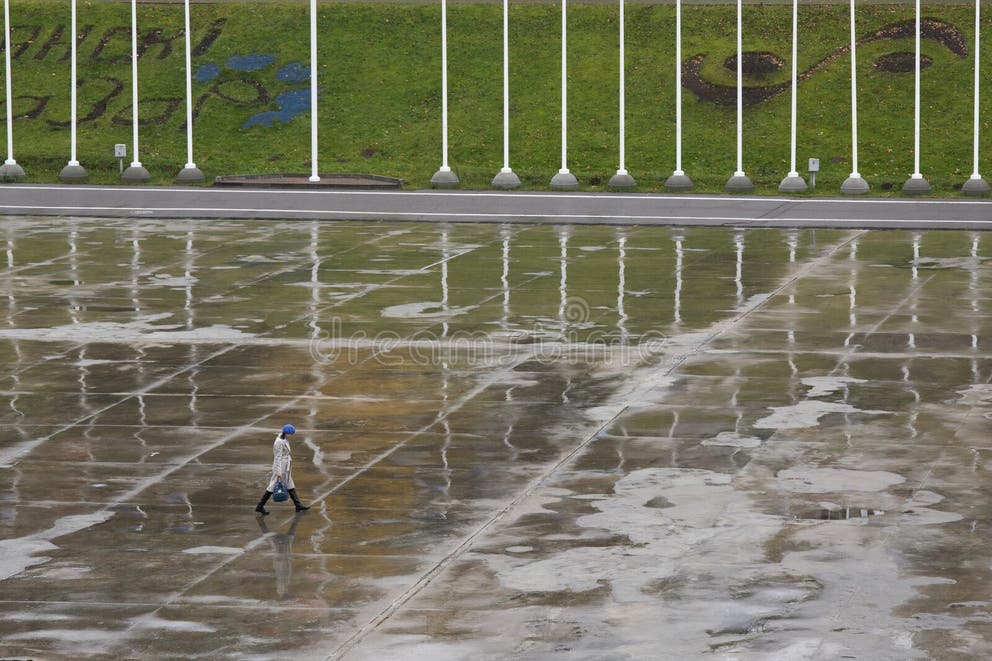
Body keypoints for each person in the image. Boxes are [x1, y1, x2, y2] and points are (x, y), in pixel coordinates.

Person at [255, 424, 310, 515]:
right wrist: (279, 472)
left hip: (286, 466)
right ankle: (260, 506)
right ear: (287, 433)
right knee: (272, 486)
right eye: (291, 434)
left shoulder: (284, 439)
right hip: (281, 467)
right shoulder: (279, 442)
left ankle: (298, 505)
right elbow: (277, 457)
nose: (292, 435)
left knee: (290, 484)